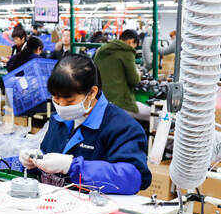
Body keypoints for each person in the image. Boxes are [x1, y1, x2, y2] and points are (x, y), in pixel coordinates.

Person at [17, 53, 151, 195]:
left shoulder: (123, 127)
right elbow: (50, 158)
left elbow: (133, 178)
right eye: (56, 98)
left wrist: (72, 166)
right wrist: (35, 161)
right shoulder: (58, 121)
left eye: (69, 101)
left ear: (92, 92)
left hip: (98, 210)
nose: (61, 106)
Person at [94, 28, 142, 118]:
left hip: (100, 100)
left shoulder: (101, 50)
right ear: (130, 41)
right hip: (120, 103)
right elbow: (134, 80)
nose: (134, 47)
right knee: (151, 115)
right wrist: (138, 73)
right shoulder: (126, 52)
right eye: (135, 45)